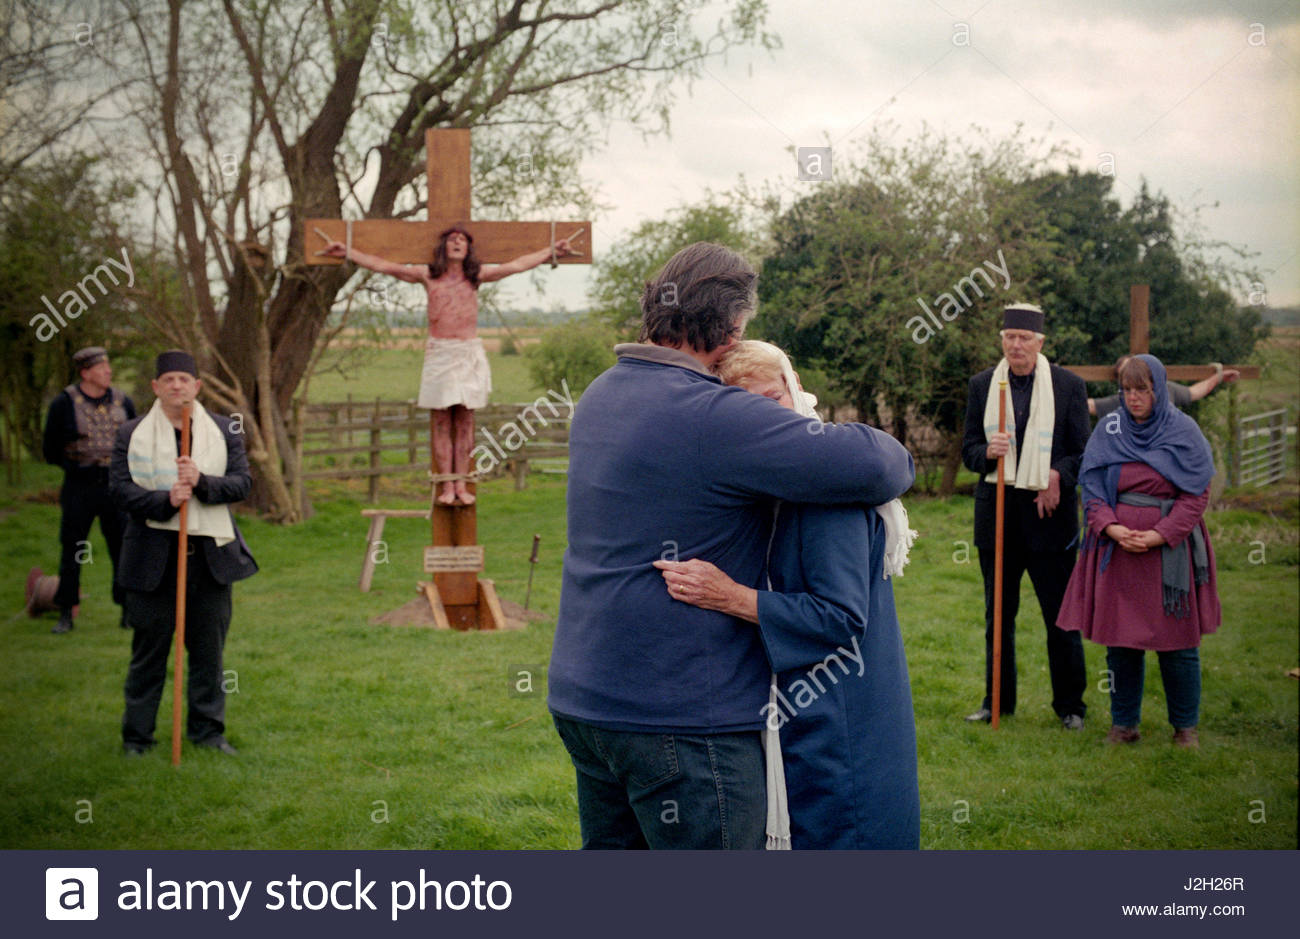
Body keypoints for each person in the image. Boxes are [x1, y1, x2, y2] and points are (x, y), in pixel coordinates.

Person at [547, 243, 915, 849]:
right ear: (732, 326)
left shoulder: (600, 395)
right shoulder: (711, 413)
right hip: (679, 718)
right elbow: (876, 467)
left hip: (587, 701)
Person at [653, 340, 920, 849]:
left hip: (841, 712)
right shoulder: (777, 484)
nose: (762, 417)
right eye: (743, 407)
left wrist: (730, 596)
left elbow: (838, 617)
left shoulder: (825, 492)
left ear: (794, 391)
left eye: (770, 398)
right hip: (808, 704)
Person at [323, 226, 576, 506]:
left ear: (468, 249)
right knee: (442, 421)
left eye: (463, 240)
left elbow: (515, 266)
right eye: (452, 239)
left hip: (468, 353)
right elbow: (385, 266)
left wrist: (550, 252)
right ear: (443, 246)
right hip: (440, 353)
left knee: (466, 421)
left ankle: (462, 482)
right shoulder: (428, 275)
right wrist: (348, 252)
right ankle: (446, 484)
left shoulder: (475, 277)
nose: (457, 243)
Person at [1058, 354, 1220, 748]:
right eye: (1127, 390)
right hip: (1118, 550)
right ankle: (1124, 725)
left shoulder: (1183, 431)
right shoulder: (1109, 431)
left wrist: (1159, 535)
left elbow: (1196, 495)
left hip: (1169, 554)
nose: (1133, 399)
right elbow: (1092, 487)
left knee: (1178, 644)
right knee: (1121, 643)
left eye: (1142, 390)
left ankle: (1185, 728)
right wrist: (1111, 527)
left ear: (1159, 390)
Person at [109, 350, 258, 756]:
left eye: (184, 379)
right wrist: (165, 500)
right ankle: (137, 738)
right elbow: (119, 491)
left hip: (209, 561)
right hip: (152, 561)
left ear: (197, 387)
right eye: (168, 379)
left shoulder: (225, 430)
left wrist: (203, 482)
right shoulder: (131, 434)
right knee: (148, 654)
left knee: (209, 653)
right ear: (156, 387)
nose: (177, 386)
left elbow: (242, 484)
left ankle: (208, 732)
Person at [961, 303, 1090, 729]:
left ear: (1040, 343)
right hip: (997, 515)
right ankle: (997, 701)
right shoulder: (983, 385)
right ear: (1001, 340)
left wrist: (1057, 474)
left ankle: (1070, 706)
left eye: (1024, 338)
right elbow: (969, 452)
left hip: (1049, 513)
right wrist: (987, 453)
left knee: (1060, 616)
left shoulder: (1069, 387)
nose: (1016, 345)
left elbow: (1082, 453)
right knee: (998, 616)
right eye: (1009, 337)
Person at [41, 346, 136, 634]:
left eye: (108, 366)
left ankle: (127, 610)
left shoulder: (123, 401)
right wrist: (77, 467)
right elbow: (50, 449)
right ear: (85, 373)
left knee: (122, 547)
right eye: (101, 367)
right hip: (80, 486)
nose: (108, 371)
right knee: (73, 548)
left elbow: (136, 440)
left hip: (116, 486)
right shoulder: (64, 403)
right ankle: (66, 611)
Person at [1089, 355, 1239, 418]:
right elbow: (1087, 405)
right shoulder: (1121, 402)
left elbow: (1194, 392)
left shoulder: (1167, 389)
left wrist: (1218, 377)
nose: (1133, 396)